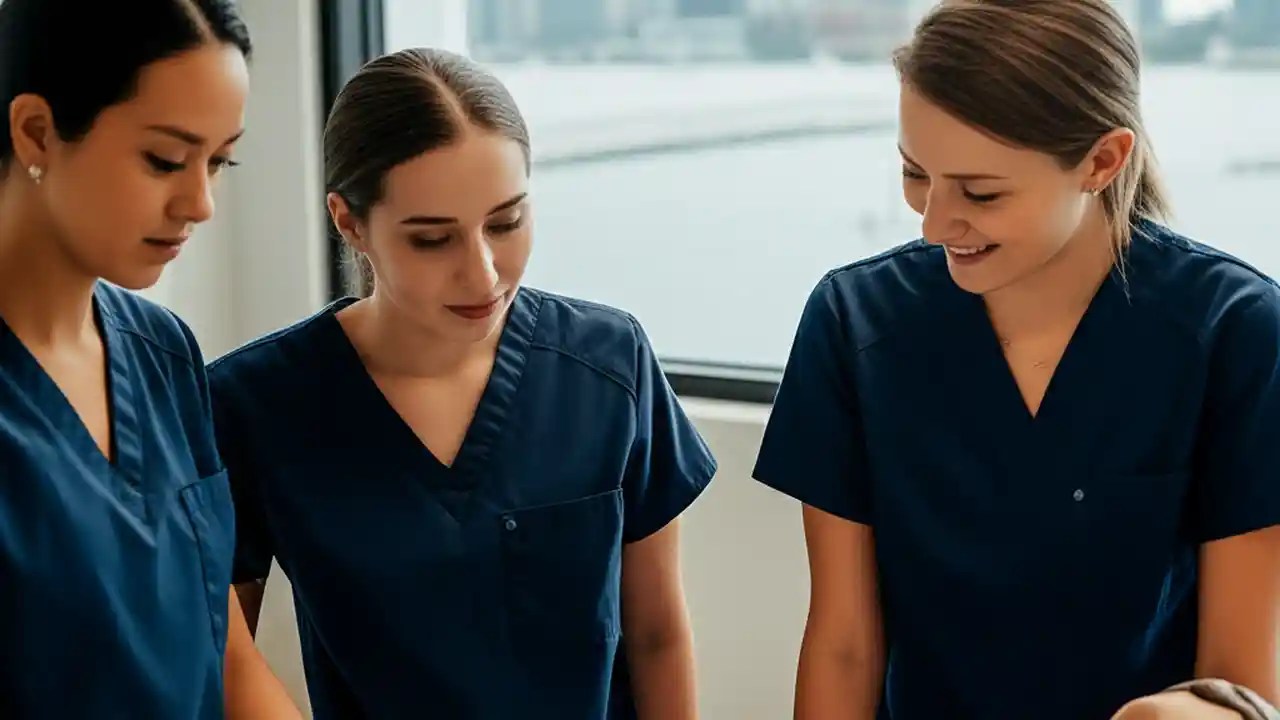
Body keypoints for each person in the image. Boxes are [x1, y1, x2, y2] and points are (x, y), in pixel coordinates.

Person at [752, 1, 1280, 719]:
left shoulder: (1236, 331)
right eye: (915, 175)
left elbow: (1240, 683)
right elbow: (845, 645)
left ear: (1102, 160)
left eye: (981, 192)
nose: (934, 223)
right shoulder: (855, 323)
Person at [208, 47, 716, 720]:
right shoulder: (254, 405)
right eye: (431, 240)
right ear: (349, 220)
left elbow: (657, 635)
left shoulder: (608, 367)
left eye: (506, 223)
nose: (482, 276)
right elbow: (216, 651)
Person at [0, 1, 300, 717]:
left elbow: (226, 655)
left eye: (220, 161)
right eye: (165, 159)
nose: (201, 203)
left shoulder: (164, 355)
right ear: (38, 132)